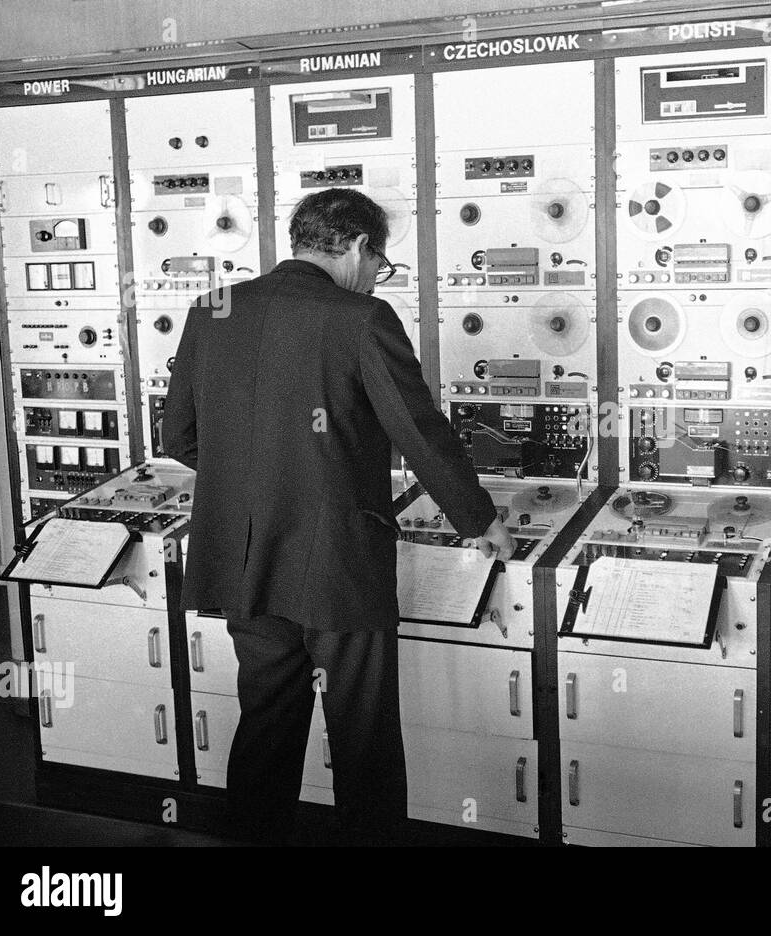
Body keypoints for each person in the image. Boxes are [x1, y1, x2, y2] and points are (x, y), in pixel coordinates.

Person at [161, 188, 514, 845]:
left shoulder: (212, 308)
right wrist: (478, 519)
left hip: (245, 558)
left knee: (266, 718)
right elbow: (419, 431)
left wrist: (254, 482)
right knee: (362, 734)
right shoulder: (360, 318)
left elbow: (178, 436)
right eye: (379, 262)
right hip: (337, 567)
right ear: (356, 246)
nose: (377, 276)